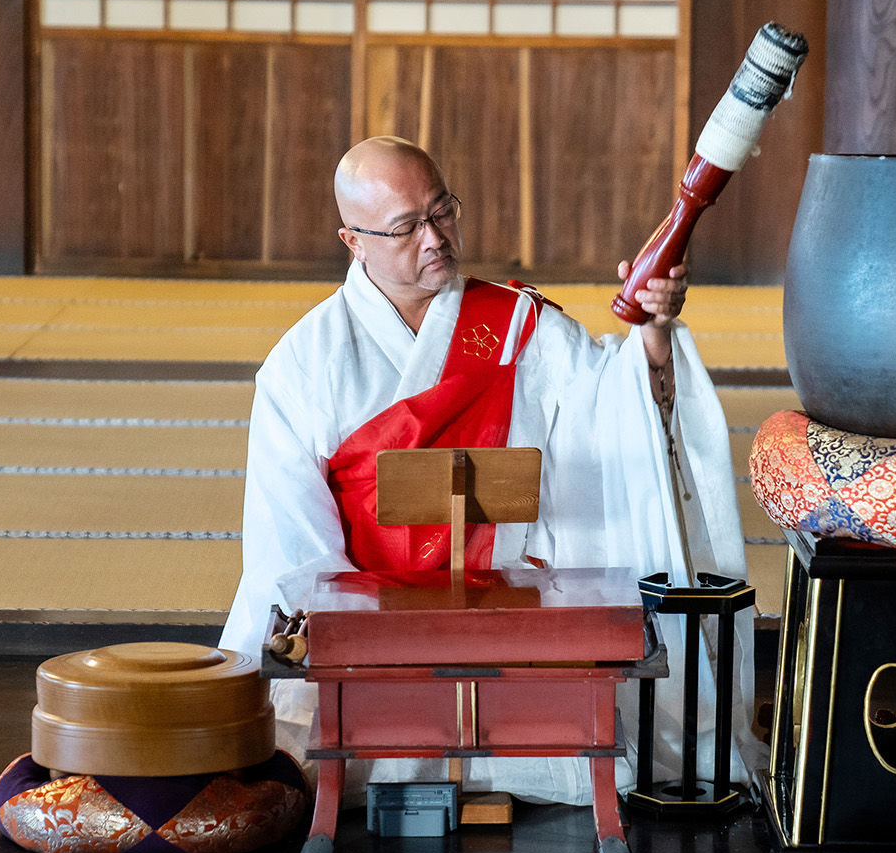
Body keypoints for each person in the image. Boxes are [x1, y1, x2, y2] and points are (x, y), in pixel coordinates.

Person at [219, 136, 754, 803]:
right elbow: (290, 537)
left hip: (512, 616)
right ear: (352, 240)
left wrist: (650, 329)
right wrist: (345, 631)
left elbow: (614, 415)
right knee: (286, 758)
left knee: (615, 748)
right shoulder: (304, 364)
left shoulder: (516, 325)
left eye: (442, 211)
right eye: (406, 227)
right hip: (372, 632)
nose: (435, 237)